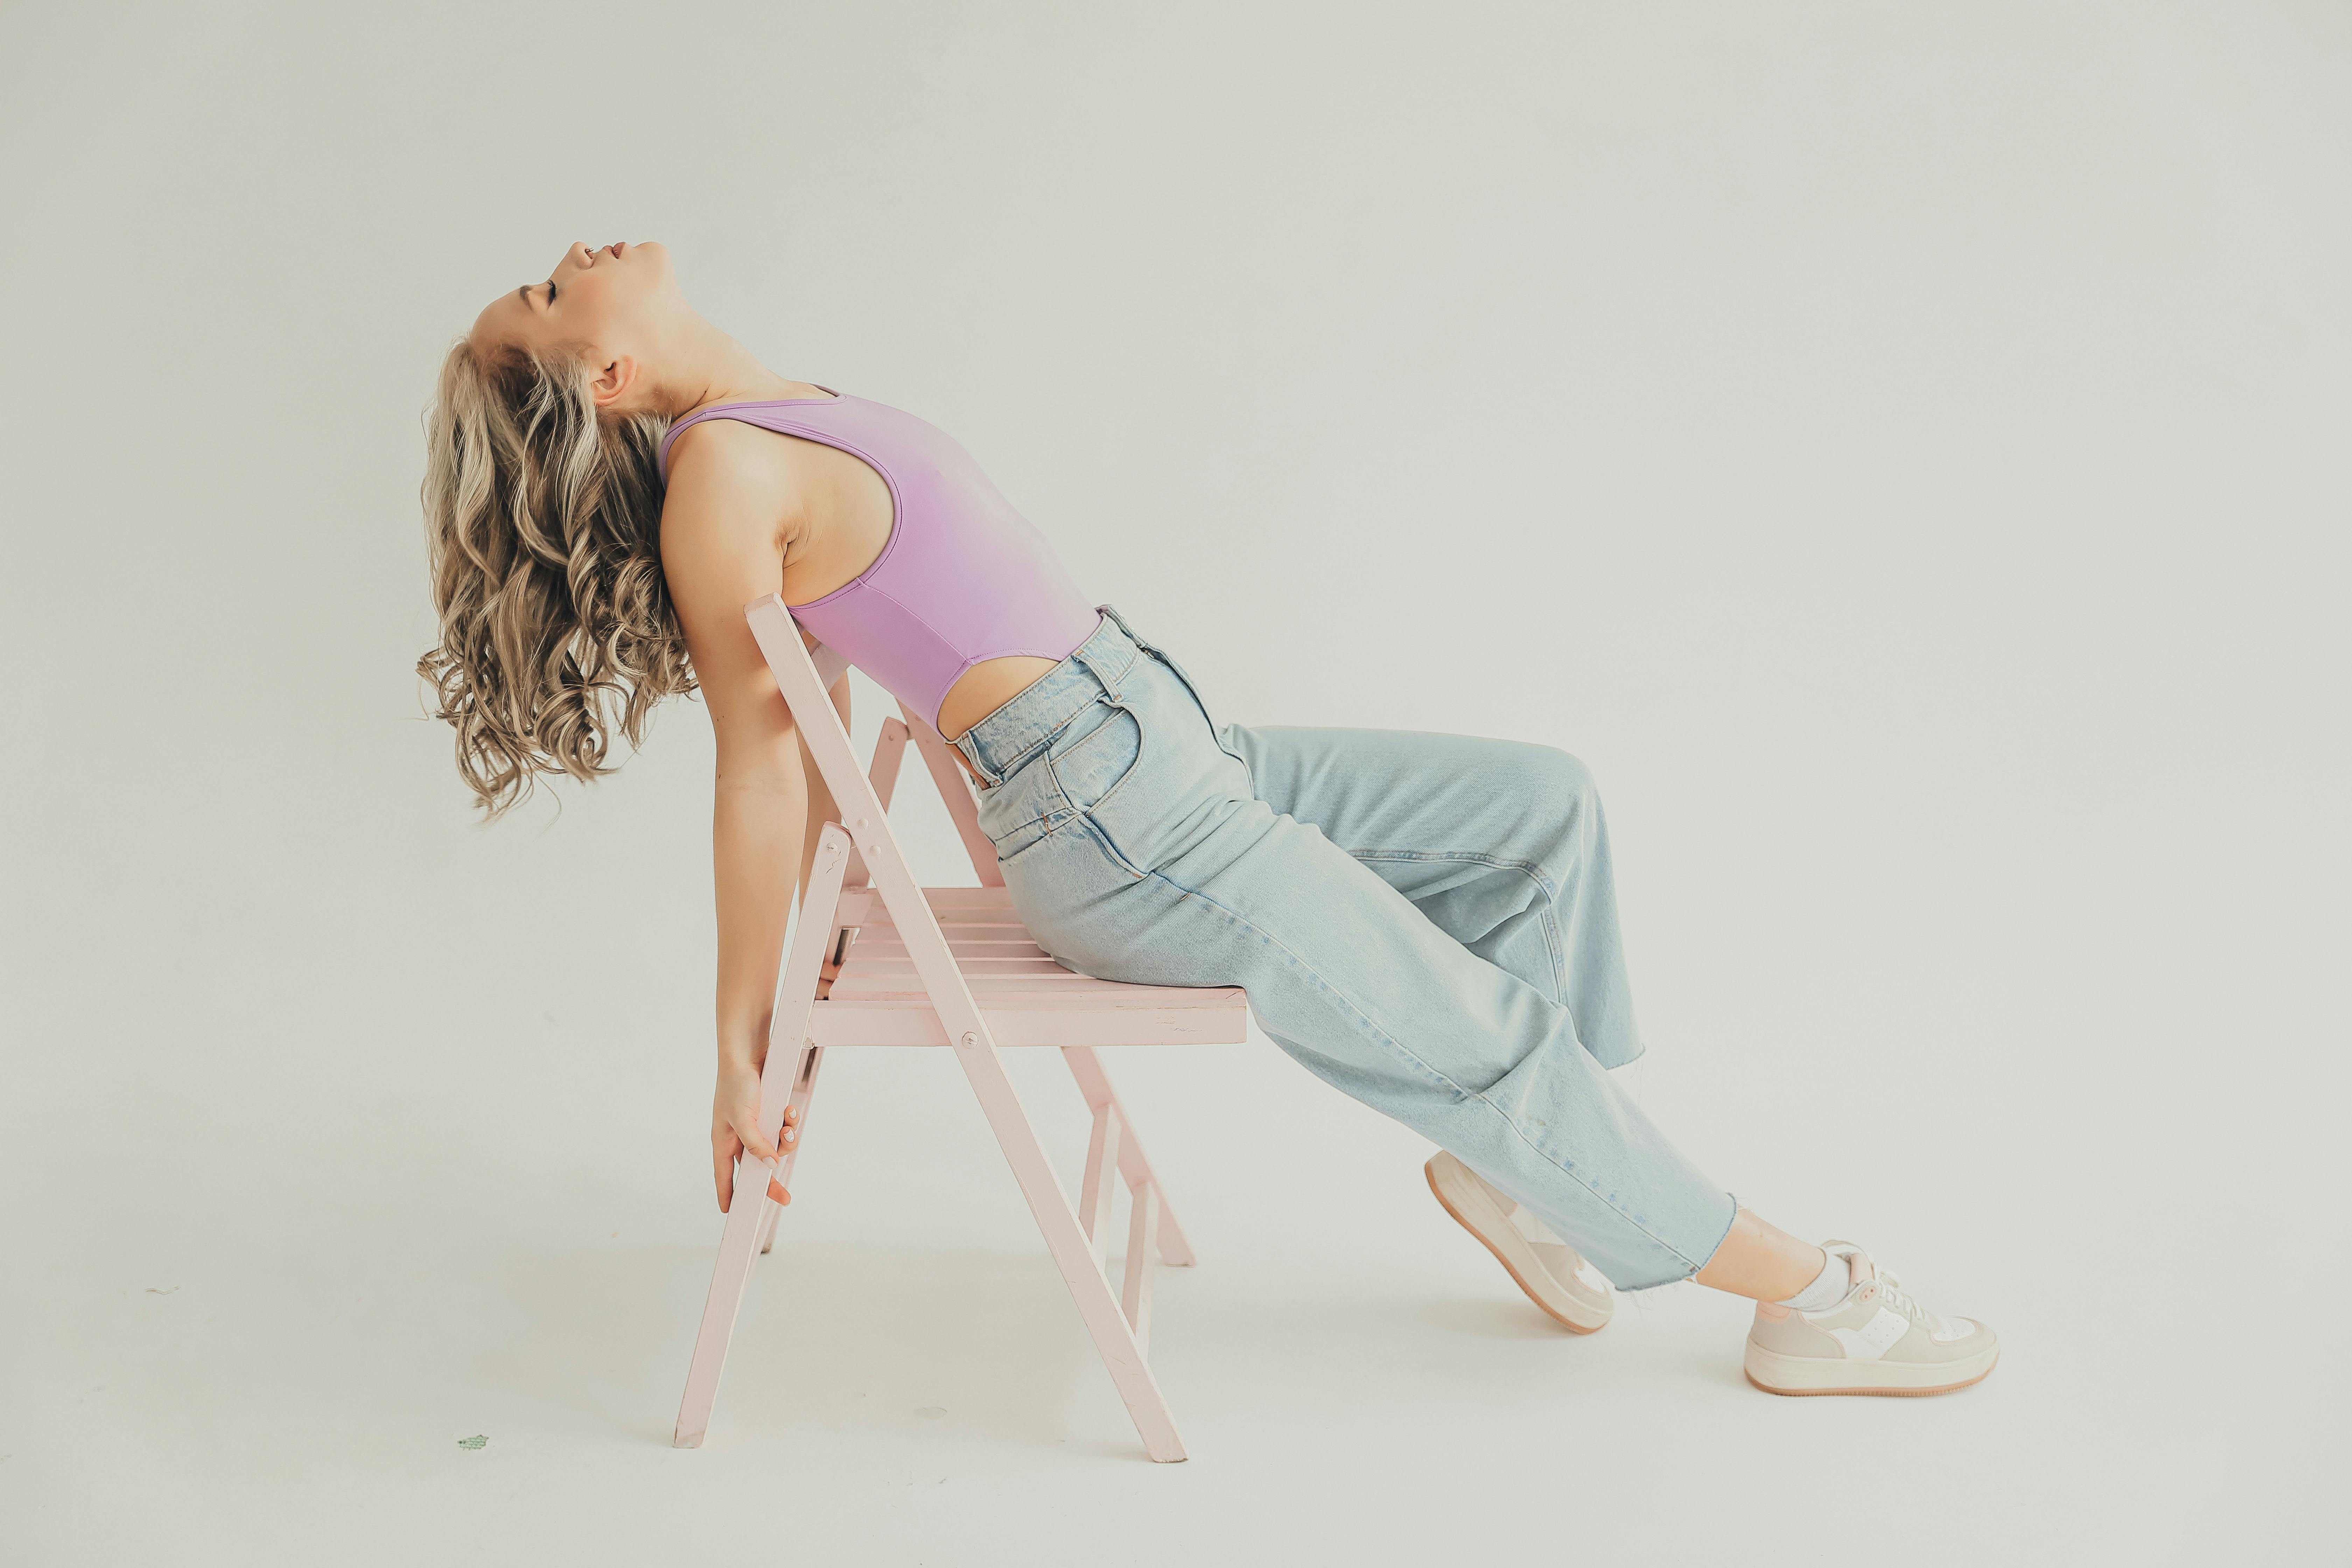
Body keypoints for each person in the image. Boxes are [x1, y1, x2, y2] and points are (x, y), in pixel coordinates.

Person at [416, 239, 1998, 1399]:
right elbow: (765, 767)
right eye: (548, 294)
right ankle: (1800, 1295)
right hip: (1123, 831)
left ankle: (1536, 1175)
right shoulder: (719, 484)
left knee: (1543, 813)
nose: (574, 257)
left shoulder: (773, 411)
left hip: (1170, 747)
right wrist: (738, 1041)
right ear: (604, 380)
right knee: (1482, 1036)